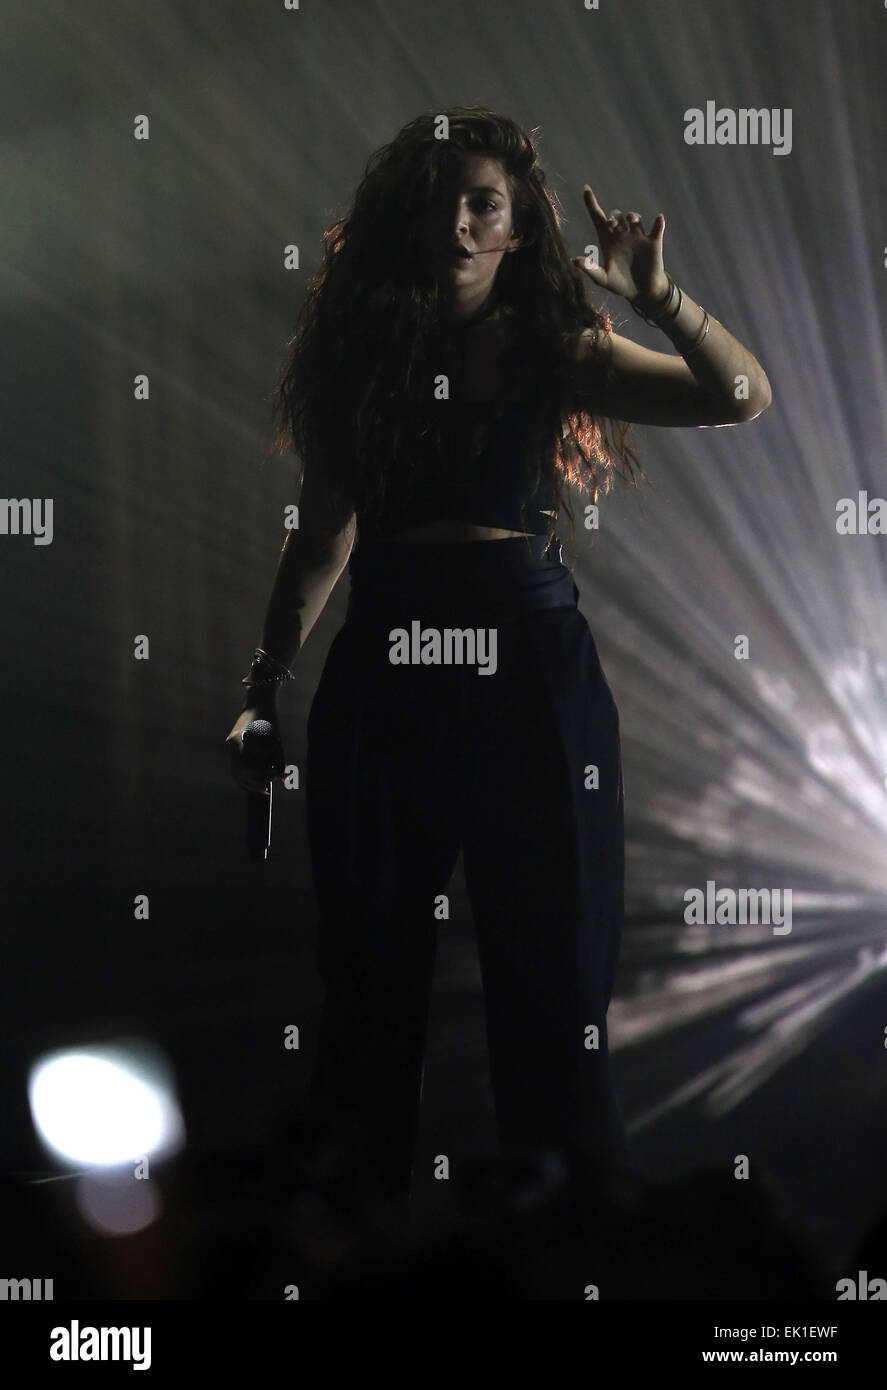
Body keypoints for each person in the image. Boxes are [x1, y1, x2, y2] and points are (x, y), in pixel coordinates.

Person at [226, 108, 771, 1211]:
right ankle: (350, 1256)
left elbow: (737, 397)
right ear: (407, 215)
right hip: (384, 663)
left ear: (517, 225)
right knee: (367, 993)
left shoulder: (554, 346)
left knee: (555, 984)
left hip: (527, 665)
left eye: (484, 202)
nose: (461, 222)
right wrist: (261, 686)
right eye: (443, 200)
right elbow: (323, 535)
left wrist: (655, 297)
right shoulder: (361, 355)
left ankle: (569, 1249)